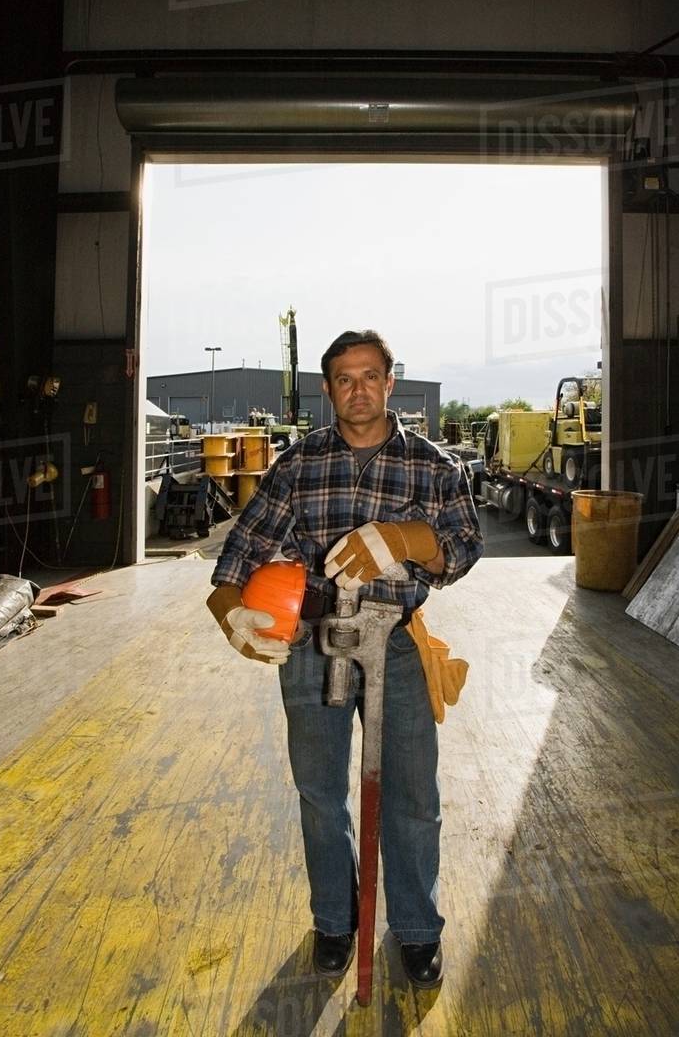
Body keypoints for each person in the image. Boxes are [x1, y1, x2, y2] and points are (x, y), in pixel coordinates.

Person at [206, 330, 483, 988]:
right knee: (320, 794)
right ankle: (334, 919)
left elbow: (465, 548)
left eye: (370, 376)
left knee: (413, 797)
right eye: (343, 378)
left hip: (398, 644)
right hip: (315, 646)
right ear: (328, 389)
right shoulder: (298, 466)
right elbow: (237, 557)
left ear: (391, 383)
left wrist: (411, 538)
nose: (357, 389)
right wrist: (230, 615)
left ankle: (416, 931)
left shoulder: (433, 467)